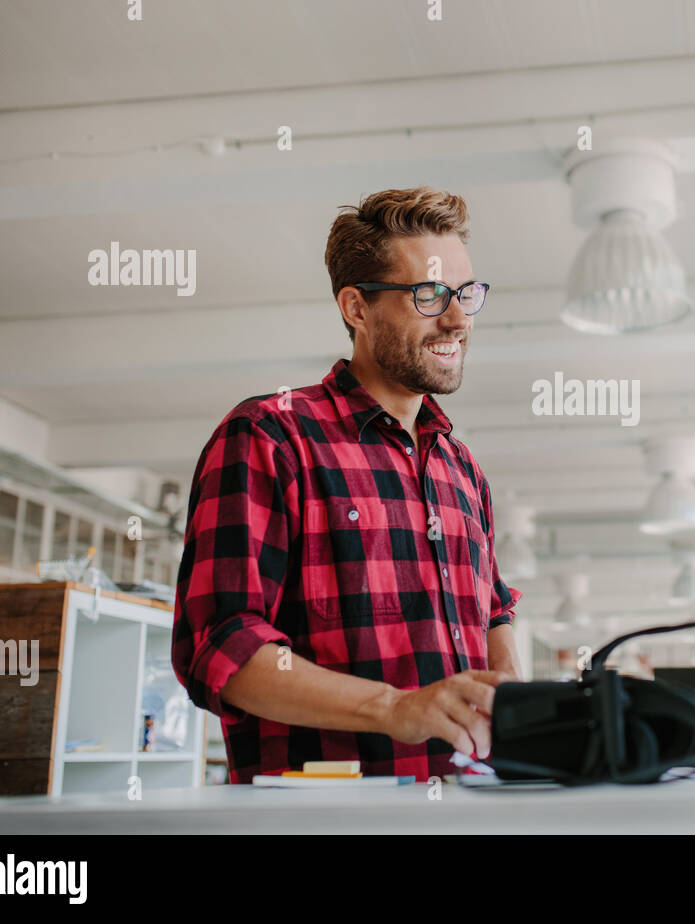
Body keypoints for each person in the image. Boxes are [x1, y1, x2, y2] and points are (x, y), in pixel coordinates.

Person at [172, 187, 521, 784]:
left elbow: (492, 612)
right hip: (321, 816)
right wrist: (394, 708)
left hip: (472, 805)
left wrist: (517, 703)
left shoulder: (461, 469)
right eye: (429, 294)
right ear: (357, 308)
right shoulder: (269, 437)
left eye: (466, 293)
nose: (458, 318)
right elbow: (221, 644)